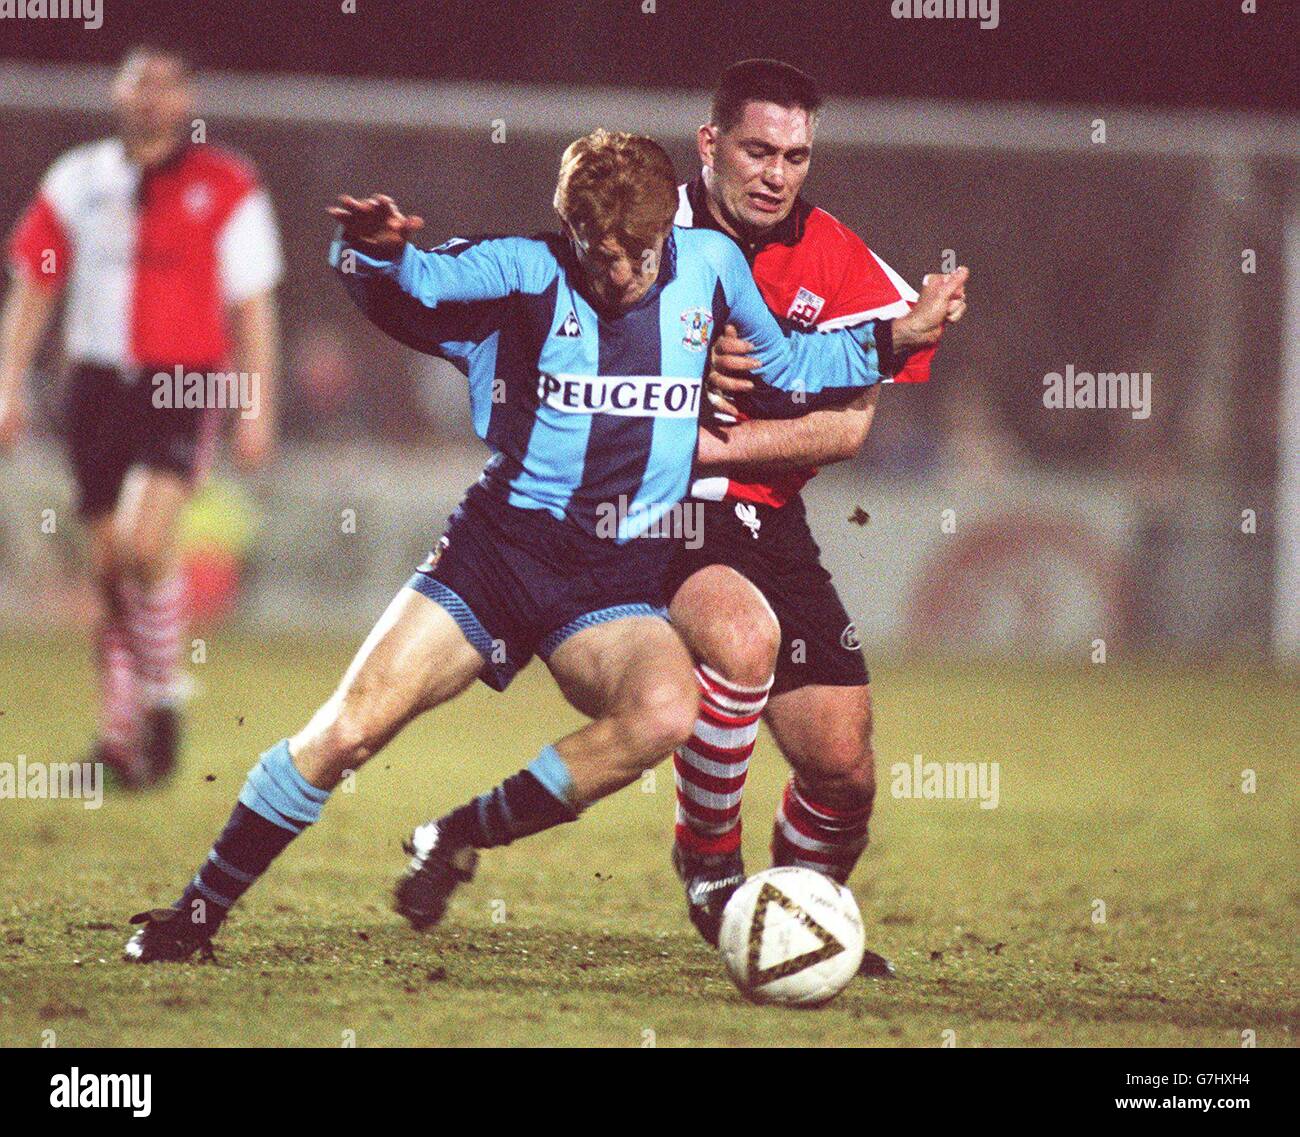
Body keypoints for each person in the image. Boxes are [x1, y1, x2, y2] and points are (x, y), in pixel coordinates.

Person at [122, 130, 957, 962]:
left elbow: (791, 361)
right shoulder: (524, 268)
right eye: (602, 257)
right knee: (348, 730)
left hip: (613, 579)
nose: (622, 276)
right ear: (573, 233)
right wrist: (370, 249)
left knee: (667, 709)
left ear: (670, 227)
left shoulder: (709, 264)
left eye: (639, 255)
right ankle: (197, 911)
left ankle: (457, 833)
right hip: (496, 554)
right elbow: (415, 278)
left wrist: (899, 337)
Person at [662, 60, 968, 956]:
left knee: (843, 767)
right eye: (758, 149)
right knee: (743, 638)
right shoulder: (643, 229)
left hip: (765, 520)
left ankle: (792, 922)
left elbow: (847, 427)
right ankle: (712, 873)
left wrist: (714, 444)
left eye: (796, 155)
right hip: (649, 505)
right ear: (711, 143)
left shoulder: (834, 252)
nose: (776, 173)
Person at [0, 45, 283, 787]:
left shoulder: (226, 183)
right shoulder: (77, 178)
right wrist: (7, 384)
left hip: (183, 385)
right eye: (139, 80)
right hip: (93, 385)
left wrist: (256, 407)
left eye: (167, 84)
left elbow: (252, 306)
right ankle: (121, 736)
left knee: (145, 539)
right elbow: (36, 284)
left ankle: (162, 693)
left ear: (187, 97)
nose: (151, 96)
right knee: (107, 571)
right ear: (117, 91)